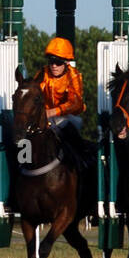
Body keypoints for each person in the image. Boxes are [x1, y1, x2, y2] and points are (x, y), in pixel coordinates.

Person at [35, 36, 90, 170]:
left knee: (67, 126)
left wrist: (54, 111)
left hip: (68, 116)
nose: (54, 65)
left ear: (66, 62)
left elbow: (75, 103)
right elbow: (34, 94)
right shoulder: (43, 73)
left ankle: (82, 163)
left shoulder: (74, 75)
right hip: (45, 117)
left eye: (58, 62)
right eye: (51, 61)